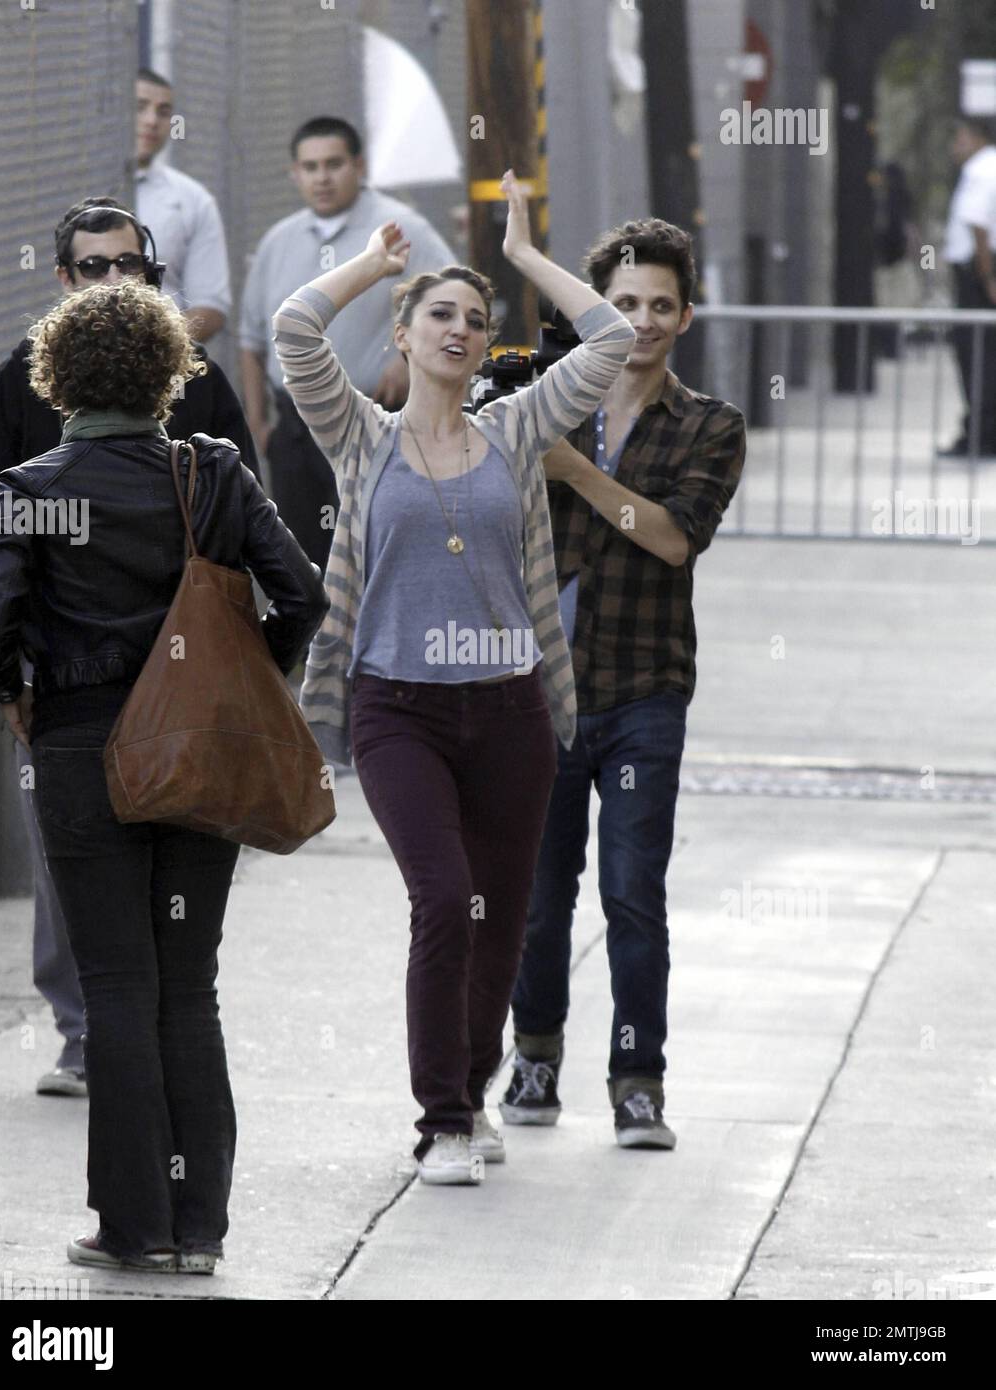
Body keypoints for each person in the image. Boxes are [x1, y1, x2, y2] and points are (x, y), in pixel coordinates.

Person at [273, 171, 636, 1185]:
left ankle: (470, 1097)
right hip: (398, 709)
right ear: (405, 334)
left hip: (510, 708)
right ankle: (438, 1118)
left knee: (500, 915)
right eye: (439, 313)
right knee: (442, 898)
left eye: (476, 320)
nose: (460, 330)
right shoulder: (360, 437)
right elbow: (293, 331)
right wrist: (373, 264)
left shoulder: (515, 431)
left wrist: (525, 257)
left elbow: (606, 341)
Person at [0, 279, 328, 1272]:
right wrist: (254, 677)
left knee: (116, 983)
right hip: (201, 745)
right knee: (187, 983)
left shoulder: (31, 492)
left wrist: (16, 694)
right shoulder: (211, 475)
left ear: (58, 377)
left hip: (83, 749)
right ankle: (198, 1227)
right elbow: (301, 590)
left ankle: (133, 1226)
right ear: (170, 374)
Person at [0, 196, 259, 1101]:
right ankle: (87, 1031)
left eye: (128, 264)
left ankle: (146, 1034)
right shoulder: (20, 383)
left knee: (174, 891)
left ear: (153, 273)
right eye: (92, 267)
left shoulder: (200, 383)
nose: (112, 281)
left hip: (183, 679)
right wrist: (8, 675)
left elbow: (254, 537)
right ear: (62, 279)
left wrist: (244, 671)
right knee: (69, 874)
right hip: (70, 681)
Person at [499, 217, 745, 1150]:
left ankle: (638, 1082)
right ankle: (535, 1058)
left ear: (686, 316)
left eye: (658, 305)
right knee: (537, 890)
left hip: (646, 685)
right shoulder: (543, 402)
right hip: (544, 687)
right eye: (622, 303)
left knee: (634, 893)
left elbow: (676, 536)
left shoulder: (710, 426)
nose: (639, 321)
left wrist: (574, 472)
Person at [241, 115, 454, 569]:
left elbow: (453, 303)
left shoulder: (400, 230)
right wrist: (259, 424)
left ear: (359, 165)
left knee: (380, 554)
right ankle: (318, 643)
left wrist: (406, 358)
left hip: (376, 423)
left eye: (334, 164)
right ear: (294, 173)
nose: (322, 177)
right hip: (297, 435)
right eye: (310, 166)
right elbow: (252, 340)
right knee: (305, 562)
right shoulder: (279, 241)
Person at [135, 68, 231, 343]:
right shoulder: (76, 188)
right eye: (139, 107)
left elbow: (211, 305)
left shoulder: (192, 200)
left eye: (163, 112)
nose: (152, 120)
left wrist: (154, 349)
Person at [942, 115, 996, 457]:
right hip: (982, 268)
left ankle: (981, 433)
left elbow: (978, 225)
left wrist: (986, 277)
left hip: (977, 274)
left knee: (975, 355)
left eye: (959, 138)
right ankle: (982, 429)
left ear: (978, 138)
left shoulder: (980, 170)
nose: (954, 146)